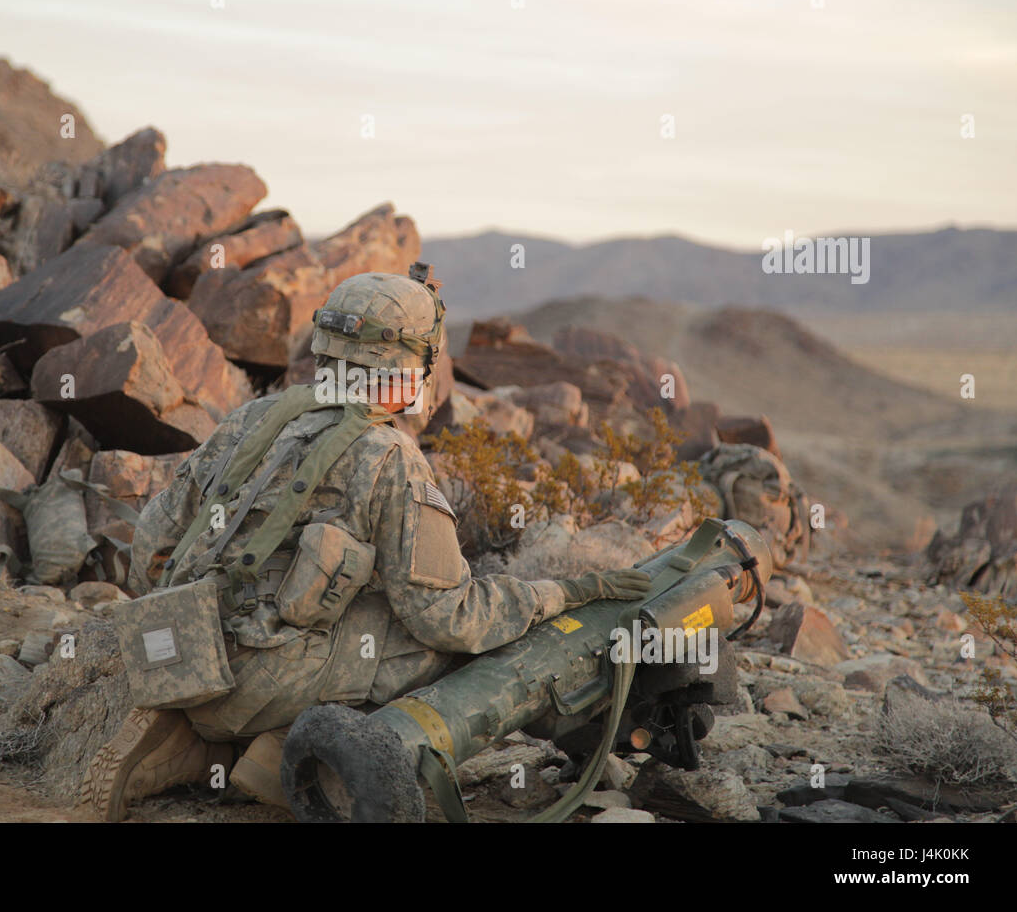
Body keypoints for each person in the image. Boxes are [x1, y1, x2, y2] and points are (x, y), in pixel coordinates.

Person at [80, 267, 650, 820]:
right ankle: (284, 752)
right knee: (455, 645)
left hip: (179, 651)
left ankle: (214, 740)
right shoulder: (391, 457)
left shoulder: (250, 418)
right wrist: (561, 594)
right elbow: (449, 618)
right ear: (410, 363)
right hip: (258, 680)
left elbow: (152, 543)